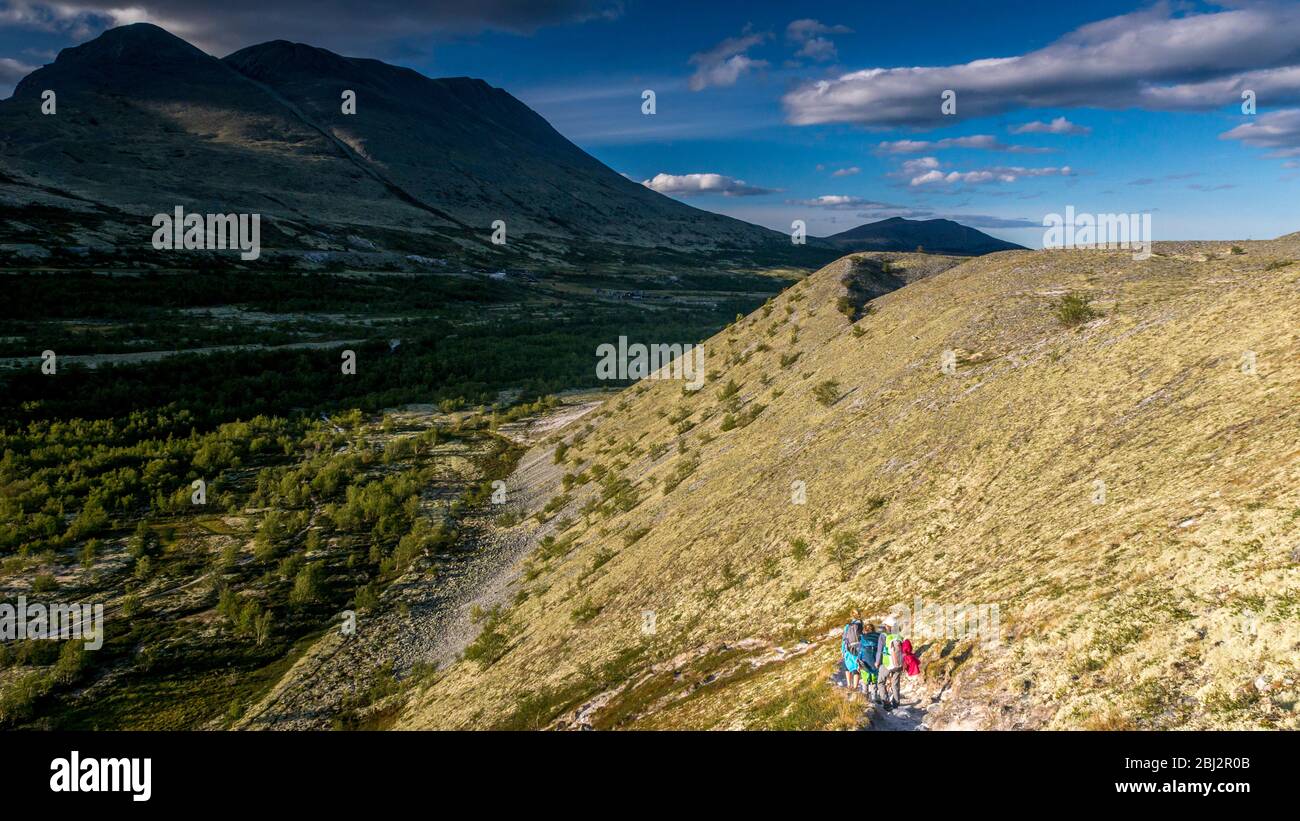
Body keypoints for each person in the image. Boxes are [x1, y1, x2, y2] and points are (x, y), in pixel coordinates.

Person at [879, 624, 904, 708]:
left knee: (881, 682)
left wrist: (878, 662)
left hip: (888, 664)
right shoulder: (900, 638)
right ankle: (896, 703)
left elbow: (881, 650)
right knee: (895, 684)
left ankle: (886, 702)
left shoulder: (887, 637)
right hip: (899, 664)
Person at [857, 622, 883, 702]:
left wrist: (858, 661)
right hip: (875, 659)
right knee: (874, 677)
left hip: (865, 659)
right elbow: (881, 649)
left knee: (865, 678)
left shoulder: (863, 637)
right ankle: (874, 696)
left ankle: (865, 697)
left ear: (865, 629)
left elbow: (860, 650)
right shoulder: (879, 636)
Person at [841, 610, 864, 691]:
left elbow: (844, 639)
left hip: (848, 649)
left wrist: (843, 650)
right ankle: (855, 688)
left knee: (847, 667)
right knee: (856, 668)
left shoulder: (847, 626)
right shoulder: (861, 624)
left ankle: (849, 685)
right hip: (858, 648)